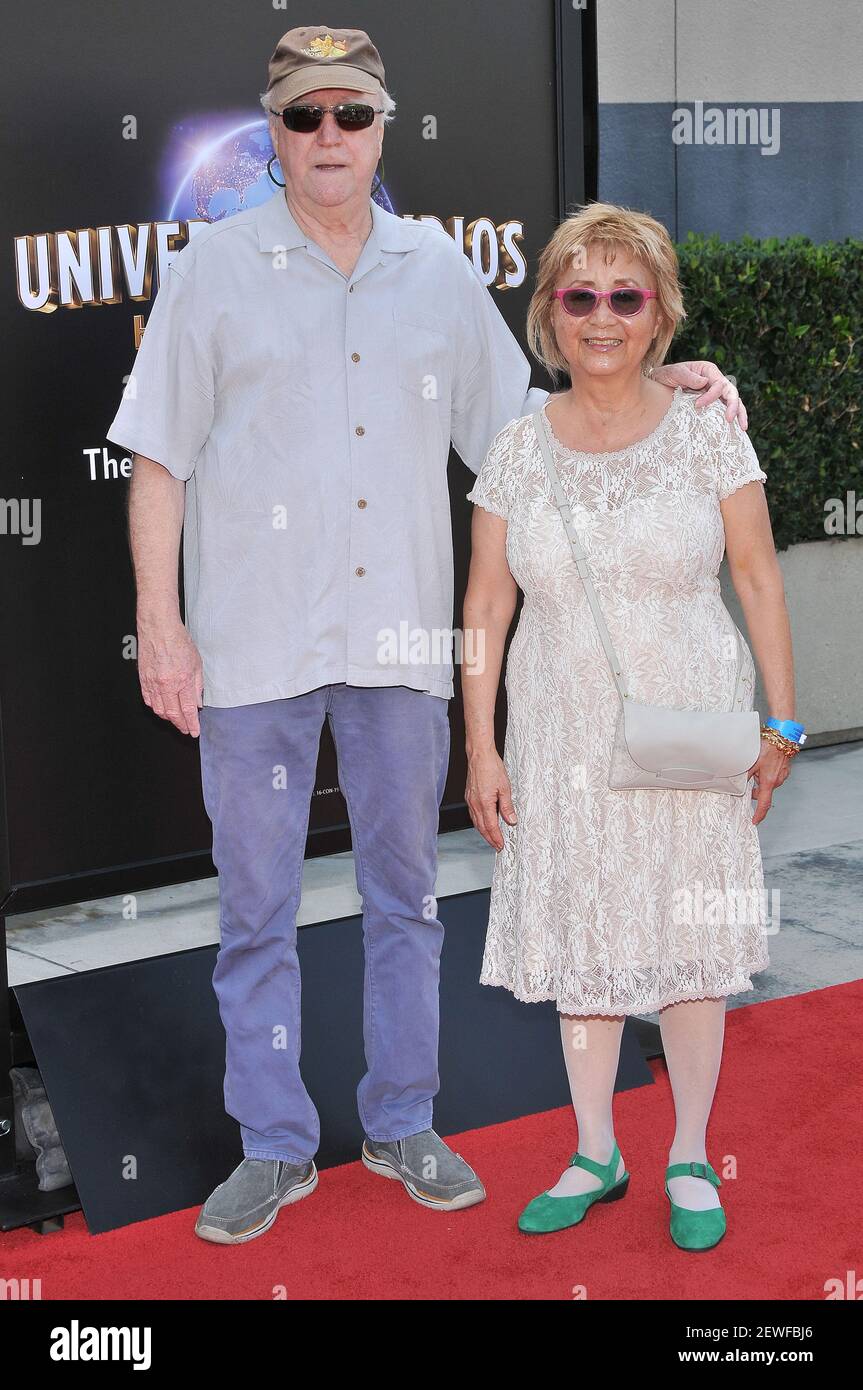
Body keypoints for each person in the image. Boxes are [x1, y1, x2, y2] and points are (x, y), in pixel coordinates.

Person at [106, 24, 746, 1245]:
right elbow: (156, 459)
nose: (329, 137)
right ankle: (274, 1144)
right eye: (304, 117)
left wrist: (656, 382)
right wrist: (159, 623)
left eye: (351, 115)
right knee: (255, 910)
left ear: (383, 127)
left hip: (401, 644)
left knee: (406, 898)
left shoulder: (437, 272)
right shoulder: (211, 269)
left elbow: (525, 429)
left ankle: (402, 1120)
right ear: (275, 129)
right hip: (251, 647)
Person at [462, 202, 800, 1251]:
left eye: (624, 295)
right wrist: (476, 743)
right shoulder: (515, 450)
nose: (600, 316)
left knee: (688, 940)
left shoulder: (708, 431)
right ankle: (594, 1147)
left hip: (688, 724)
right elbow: (482, 608)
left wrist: (780, 722)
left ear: (657, 318)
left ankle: (689, 1151)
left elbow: (754, 575)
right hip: (558, 737)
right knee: (583, 939)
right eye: (580, 295)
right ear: (550, 314)